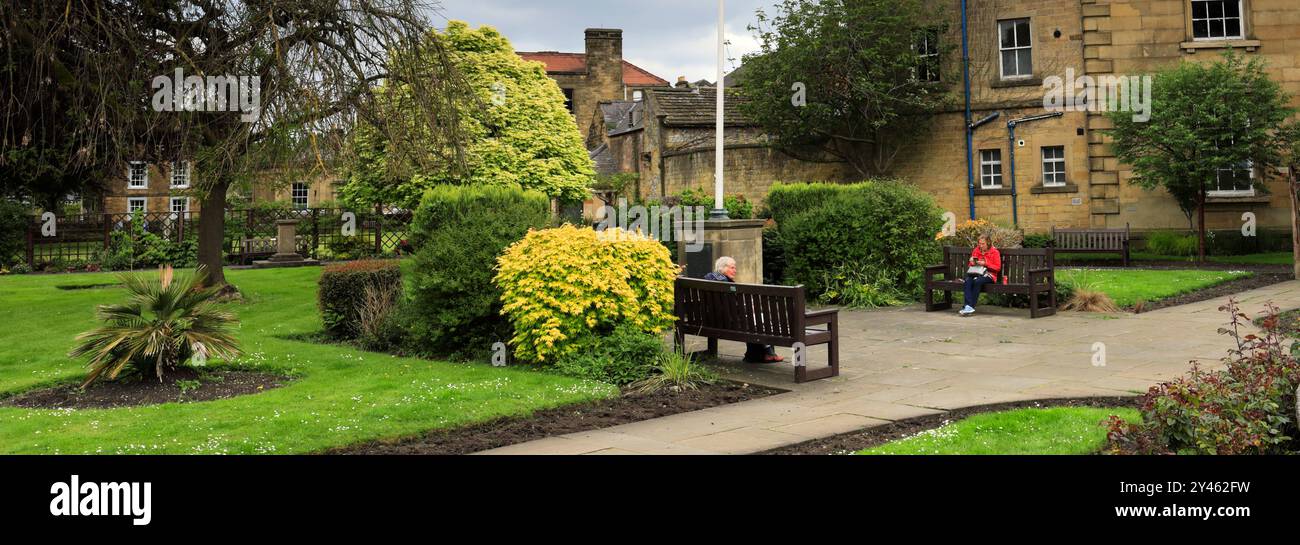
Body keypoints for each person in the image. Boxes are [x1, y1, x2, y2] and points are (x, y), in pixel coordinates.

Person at [702, 256, 785, 363]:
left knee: (755, 320)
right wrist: (747, 309)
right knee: (760, 319)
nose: (735, 270)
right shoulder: (725, 284)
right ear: (723, 268)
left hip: (713, 321)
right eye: (732, 267)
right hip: (730, 322)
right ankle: (768, 353)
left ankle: (761, 354)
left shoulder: (708, 279)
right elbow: (735, 308)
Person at [960, 235, 1001, 316]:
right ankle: (968, 306)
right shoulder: (976, 250)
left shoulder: (995, 252)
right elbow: (970, 265)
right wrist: (972, 262)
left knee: (977, 281)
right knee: (968, 281)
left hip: (989, 275)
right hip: (976, 273)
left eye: (983, 244)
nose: (981, 246)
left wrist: (985, 264)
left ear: (988, 243)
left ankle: (970, 306)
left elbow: (997, 268)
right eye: (979, 244)